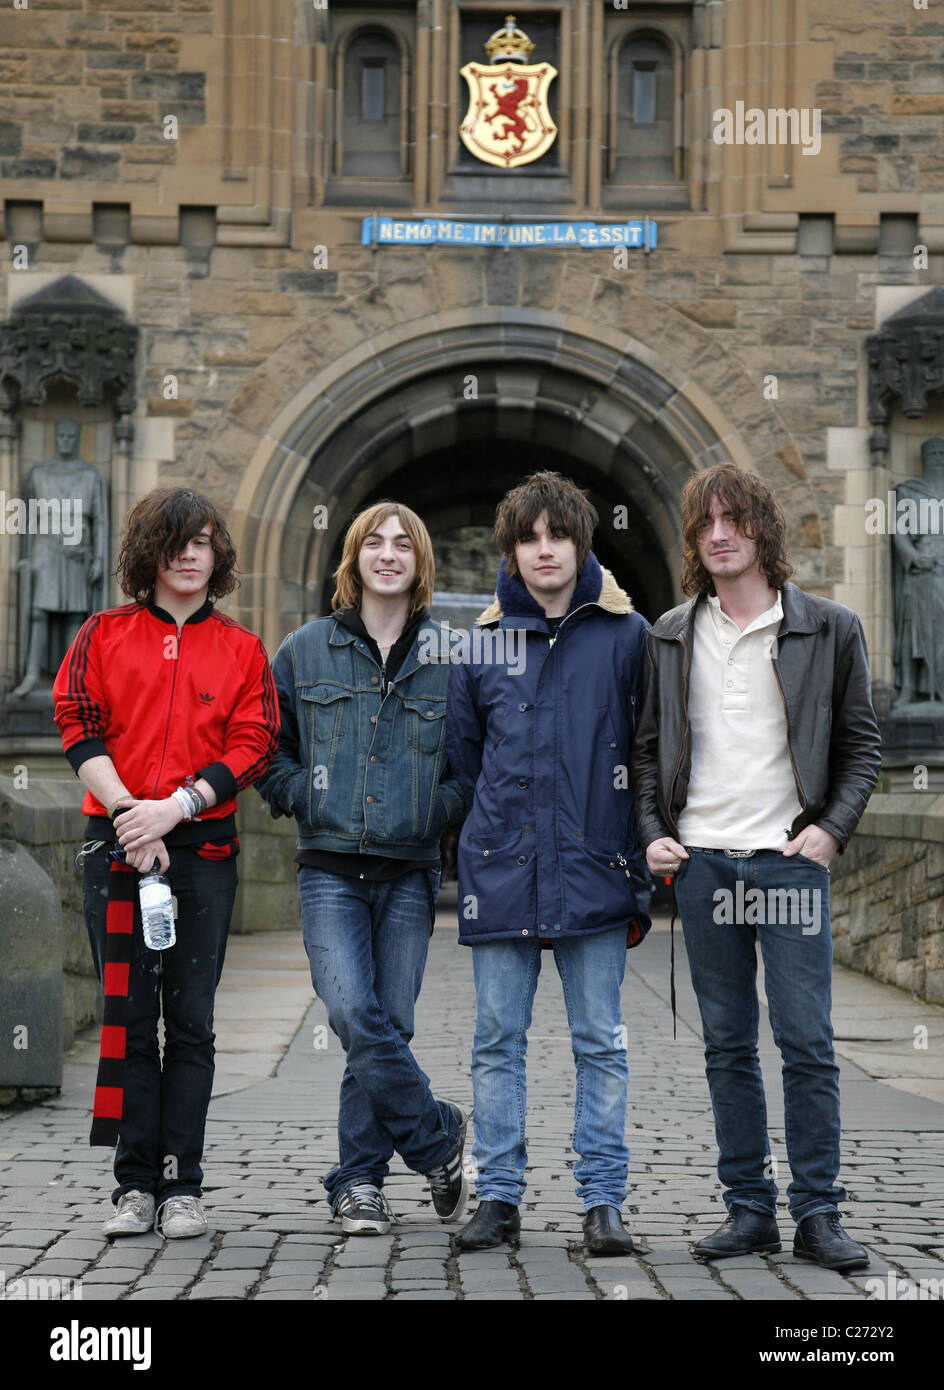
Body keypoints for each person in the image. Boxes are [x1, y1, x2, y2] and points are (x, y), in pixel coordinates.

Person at [631, 463, 882, 1271]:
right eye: (704, 523)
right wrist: (653, 833)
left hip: (786, 863)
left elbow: (861, 746)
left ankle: (818, 1214)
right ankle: (749, 1210)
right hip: (704, 866)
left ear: (761, 529)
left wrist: (831, 831)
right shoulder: (670, 634)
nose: (718, 533)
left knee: (806, 1040)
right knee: (728, 1046)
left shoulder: (830, 627)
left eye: (732, 518)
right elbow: (644, 754)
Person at [53, 487, 279, 1240]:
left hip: (200, 850)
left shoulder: (241, 649)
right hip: (117, 846)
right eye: (176, 539)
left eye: (205, 541)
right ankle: (134, 1186)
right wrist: (128, 813)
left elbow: (253, 742)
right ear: (149, 550)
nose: (190, 552)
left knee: (189, 1022)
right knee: (126, 1020)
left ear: (218, 557)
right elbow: (77, 722)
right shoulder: (102, 634)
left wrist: (173, 809)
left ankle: (183, 1182)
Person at [446, 471, 652, 1255]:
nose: (543, 550)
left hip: (596, 867)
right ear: (512, 551)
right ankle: (498, 1197)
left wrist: (636, 851)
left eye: (556, 536)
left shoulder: (628, 637)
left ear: (580, 543)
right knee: (498, 1039)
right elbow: (467, 767)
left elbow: (648, 749)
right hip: (502, 868)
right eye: (528, 539)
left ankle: (603, 1201)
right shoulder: (481, 646)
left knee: (599, 1038)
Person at [255, 501, 469, 1235]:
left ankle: (360, 1184)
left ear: (420, 562)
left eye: (402, 543)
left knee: (387, 1025)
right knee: (352, 1011)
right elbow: (267, 747)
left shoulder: (452, 656)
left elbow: (471, 766)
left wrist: (429, 812)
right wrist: (299, 799)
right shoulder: (304, 649)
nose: (387, 553)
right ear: (353, 557)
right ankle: (437, 1137)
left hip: (408, 871)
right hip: (329, 865)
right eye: (373, 541)